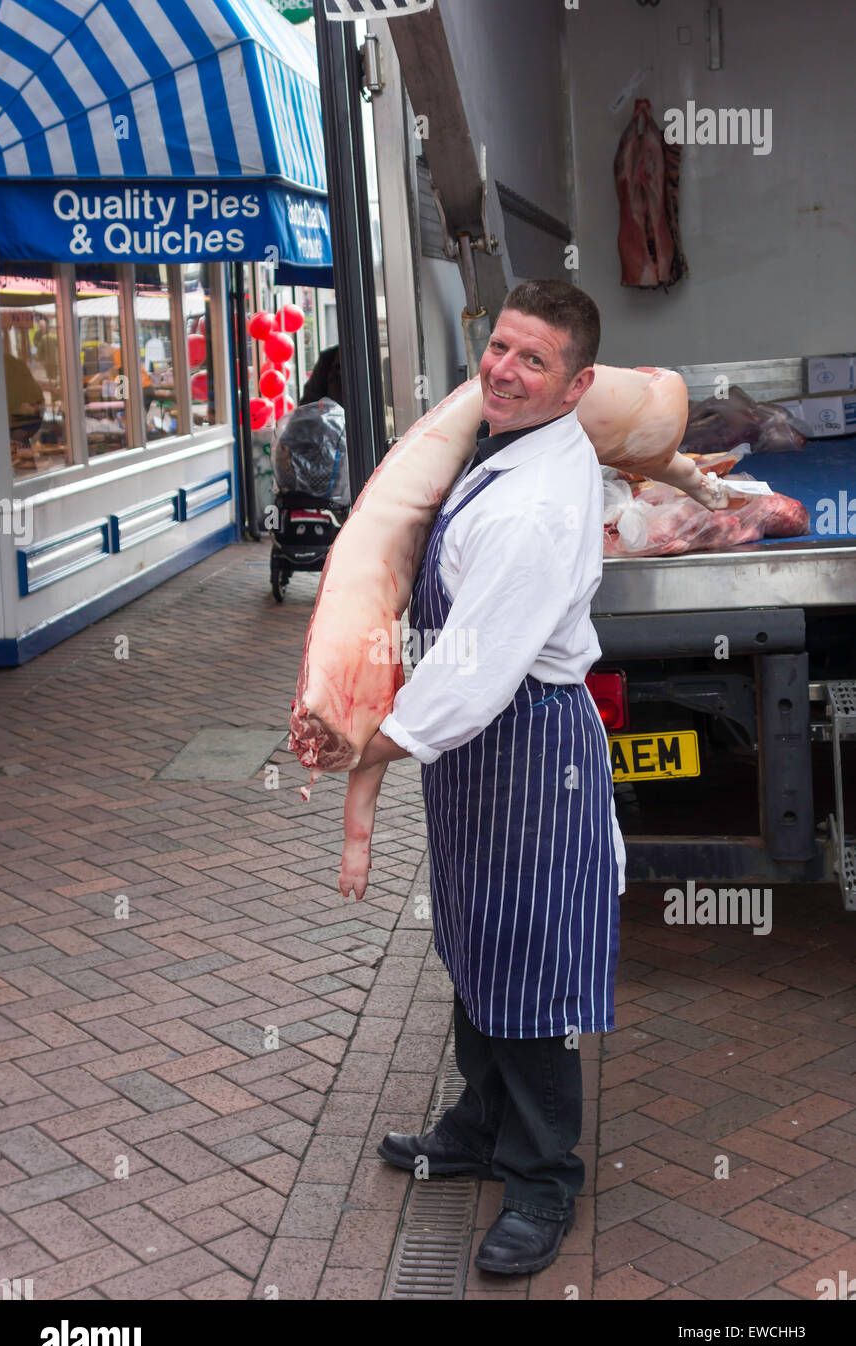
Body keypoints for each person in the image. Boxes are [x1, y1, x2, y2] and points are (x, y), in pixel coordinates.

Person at [350, 279, 626, 1276]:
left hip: (523, 746)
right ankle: (477, 1125)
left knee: (529, 965)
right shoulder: (507, 443)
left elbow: (469, 670)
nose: (503, 370)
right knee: (474, 943)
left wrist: (370, 743)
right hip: (481, 752)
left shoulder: (539, 506)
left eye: (532, 359)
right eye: (499, 347)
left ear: (575, 382)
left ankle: (543, 1173)